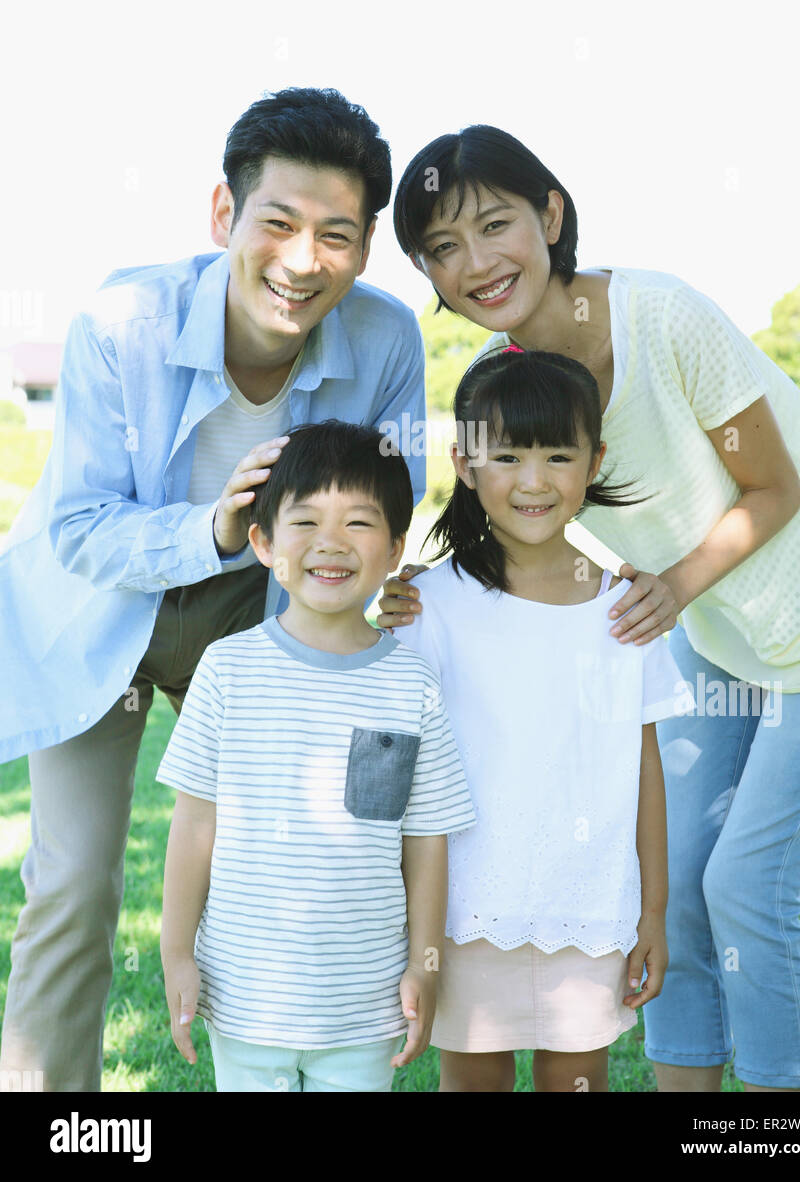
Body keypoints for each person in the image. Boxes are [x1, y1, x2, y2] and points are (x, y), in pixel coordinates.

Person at [380, 122, 800, 1093]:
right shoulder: (524, 381)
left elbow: (771, 487)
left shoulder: (660, 316)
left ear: (549, 215)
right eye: (441, 247)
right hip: (712, 631)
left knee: (742, 886)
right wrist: (408, 591)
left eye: (492, 225)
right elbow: (503, 512)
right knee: (675, 886)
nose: (473, 262)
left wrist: (673, 588)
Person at [0, 88, 427, 1093]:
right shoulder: (119, 320)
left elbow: (387, 507)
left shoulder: (385, 339)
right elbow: (78, 528)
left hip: (261, 609)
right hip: (96, 603)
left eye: (334, 233)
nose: (300, 257)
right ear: (221, 216)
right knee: (71, 885)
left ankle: (305, 1063)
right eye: (276, 221)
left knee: (298, 855)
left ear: (364, 249)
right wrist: (214, 525)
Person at [387, 349, 692, 1092]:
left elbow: (647, 770)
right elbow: (393, 769)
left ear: (595, 461)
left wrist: (653, 911)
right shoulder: (429, 607)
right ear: (464, 464)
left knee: (578, 1079)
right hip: (461, 908)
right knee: (473, 1082)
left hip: (587, 907)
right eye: (508, 456)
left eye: (559, 455)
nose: (534, 480)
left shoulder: (626, 611)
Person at [157, 421, 474, 1092]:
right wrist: (176, 952)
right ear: (265, 543)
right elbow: (194, 827)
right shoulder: (227, 670)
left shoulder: (411, 686)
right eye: (305, 521)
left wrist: (425, 964)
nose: (330, 542)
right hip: (244, 999)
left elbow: (425, 841)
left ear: (393, 548)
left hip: (362, 1006)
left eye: (358, 522)